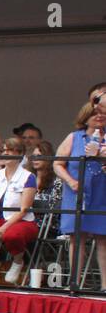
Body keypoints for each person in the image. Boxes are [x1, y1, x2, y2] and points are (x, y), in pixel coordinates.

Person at [53, 85, 106, 286]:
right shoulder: (73, 137)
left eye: (102, 114)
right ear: (85, 117)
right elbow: (57, 163)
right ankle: (74, 282)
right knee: (77, 237)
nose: (99, 117)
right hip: (76, 192)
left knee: (103, 238)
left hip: (102, 193)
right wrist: (70, 180)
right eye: (94, 114)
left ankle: (104, 286)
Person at [0, 137, 38, 284]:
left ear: (19, 153)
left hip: (21, 220)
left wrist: (4, 227)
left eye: (9, 150)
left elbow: (24, 209)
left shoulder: (28, 176)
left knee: (11, 235)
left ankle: (18, 261)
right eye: (3, 150)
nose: (5, 153)